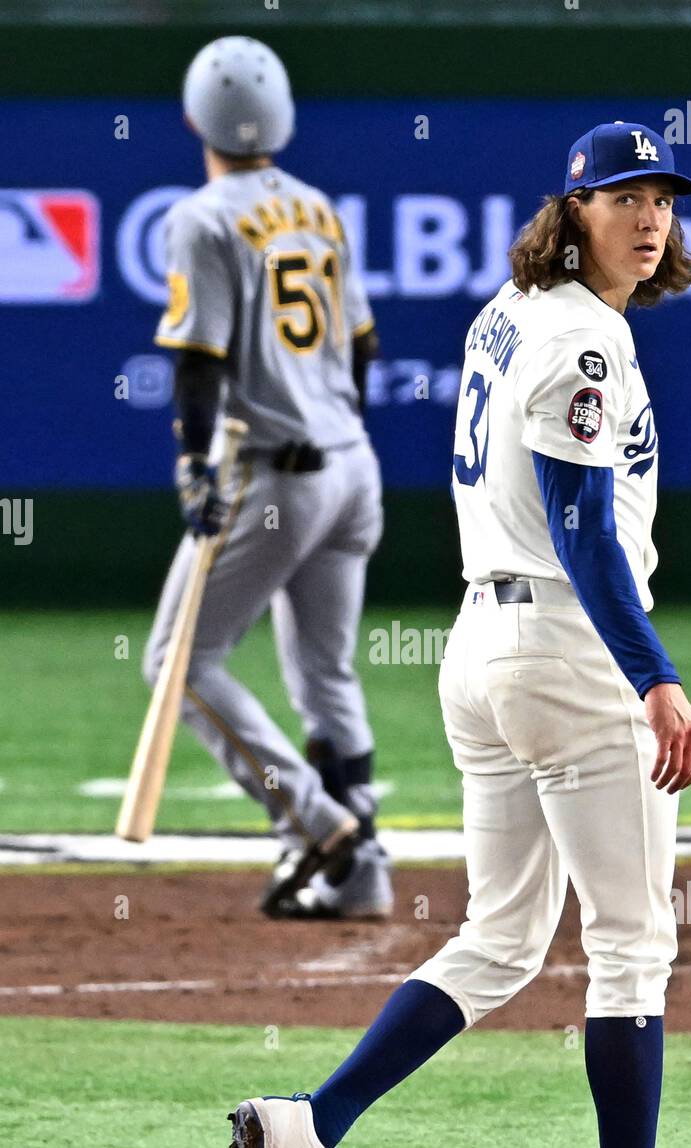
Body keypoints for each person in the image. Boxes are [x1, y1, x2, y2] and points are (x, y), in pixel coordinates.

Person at [228, 121, 691, 1148]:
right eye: (625, 197)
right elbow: (586, 530)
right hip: (568, 653)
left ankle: (306, 1130)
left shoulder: (510, 311)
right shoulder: (589, 340)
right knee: (633, 944)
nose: (650, 218)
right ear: (575, 207)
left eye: (665, 200)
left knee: (502, 935)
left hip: (480, 651)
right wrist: (657, 679)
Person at [144, 36, 392, 921]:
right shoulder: (320, 209)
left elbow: (199, 362)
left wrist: (190, 460)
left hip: (274, 471)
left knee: (177, 659)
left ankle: (318, 821)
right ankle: (363, 877)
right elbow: (362, 346)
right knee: (327, 673)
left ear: (191, 119)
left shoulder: (203, 215)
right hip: (352, 469)